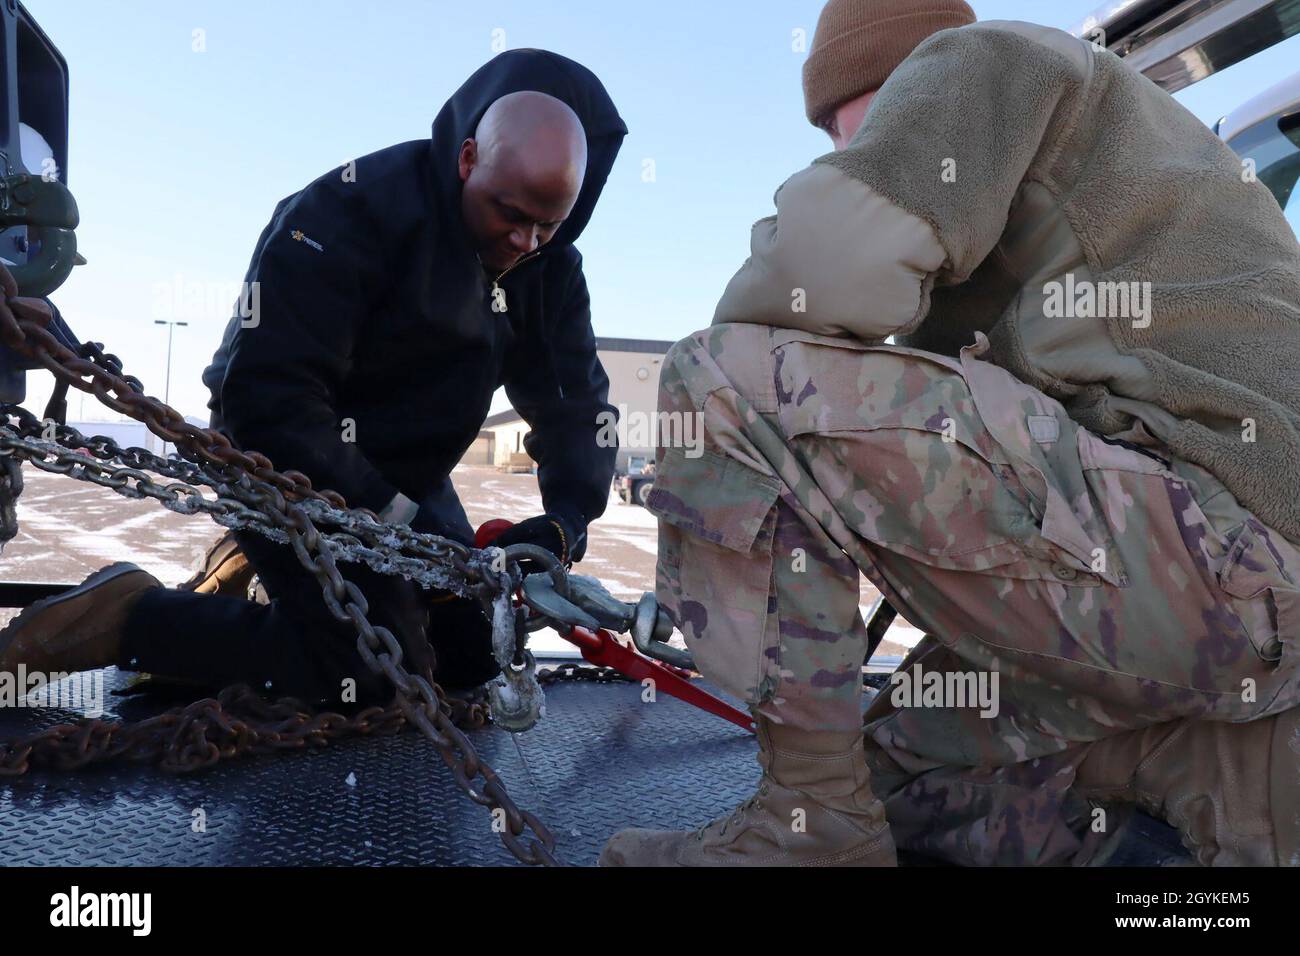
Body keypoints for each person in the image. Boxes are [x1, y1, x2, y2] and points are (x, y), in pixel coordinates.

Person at [601, 0, 1300, 867]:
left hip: (1219, 549)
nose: (837, 146)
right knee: (897, 780)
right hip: (1236, 599)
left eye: (836, 121)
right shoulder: (1124, 167)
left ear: (892, 77)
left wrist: (733, 416)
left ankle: (811, 832)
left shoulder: (983, 57)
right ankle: (1225, 787)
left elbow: (818, 271)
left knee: (723, 375)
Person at [0, 50, 627, 708]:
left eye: (546, 225)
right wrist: (393, 519)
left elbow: (575, 406)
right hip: (284, 455)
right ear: (468, 159)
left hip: (411, 482)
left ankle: (262, 597)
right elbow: (266, 397)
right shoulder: (347, 213)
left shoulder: (548, 269)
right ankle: (125, 617)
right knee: (375, 674)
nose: (525, 242)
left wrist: (566, 520)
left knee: (470, 656)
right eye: (510, 213)